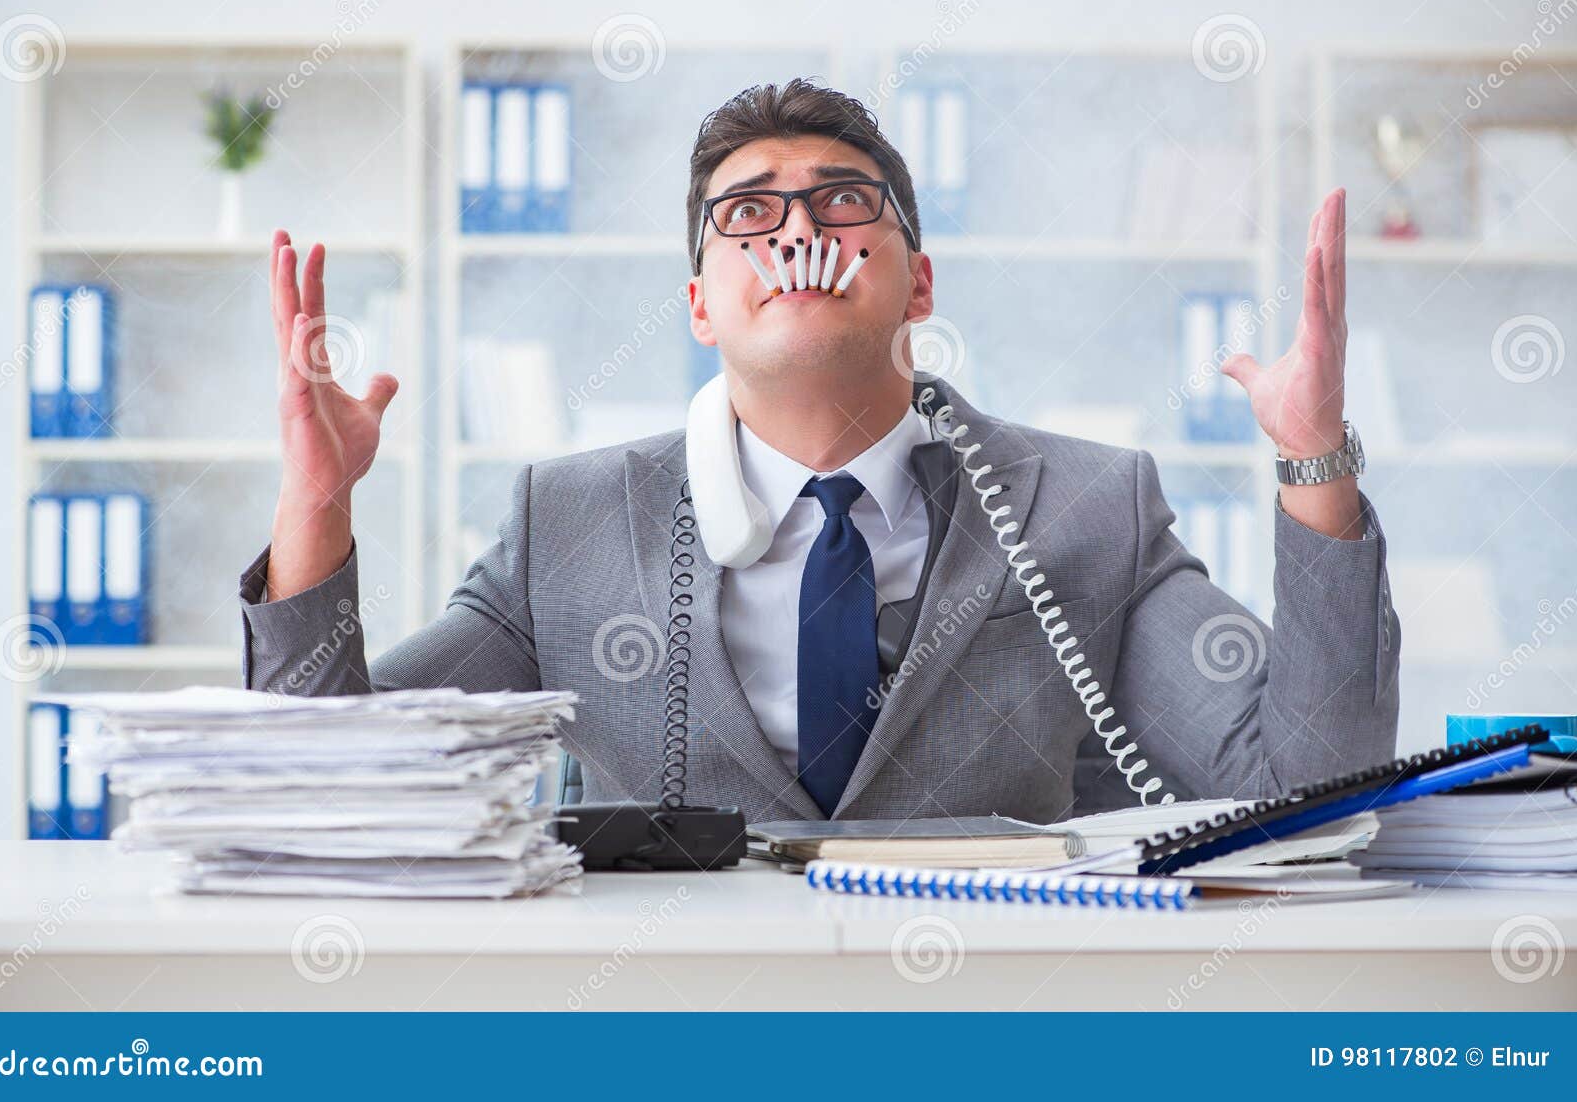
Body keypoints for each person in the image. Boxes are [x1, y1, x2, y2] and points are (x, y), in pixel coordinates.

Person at [240, 78, 1399, 824]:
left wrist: (1315, 465)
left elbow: (1304, 782)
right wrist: (313, 510)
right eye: (750, 212)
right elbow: (329, 781)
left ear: (919, 281)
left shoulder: (1087, 508)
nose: (797, 229)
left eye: (845, 202)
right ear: (702, 304)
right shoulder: (573, 522)